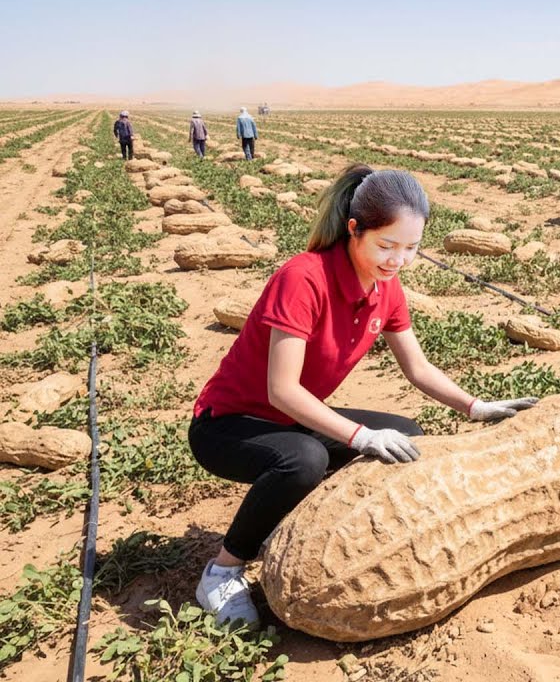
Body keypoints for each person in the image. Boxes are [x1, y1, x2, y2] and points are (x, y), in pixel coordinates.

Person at [187, 164, 538, 625]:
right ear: (354, 229)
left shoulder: (387, 288)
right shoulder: (304, 277)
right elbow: (282, 390)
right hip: (228, 424)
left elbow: (417, 367)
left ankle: (315, 529)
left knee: (406, 434)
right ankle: (223, 570)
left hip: (291, 419)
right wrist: (360, 436)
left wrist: (475, 406)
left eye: (411, 248)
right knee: (304, 460)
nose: (398, 261)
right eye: (386, 246)